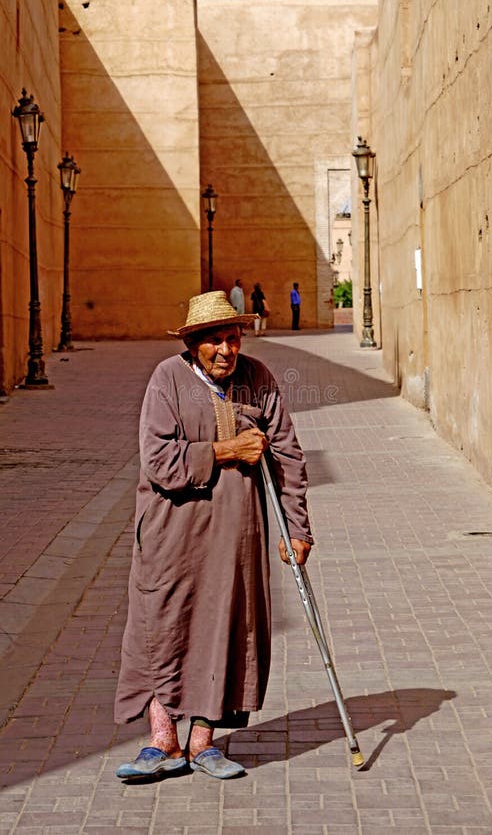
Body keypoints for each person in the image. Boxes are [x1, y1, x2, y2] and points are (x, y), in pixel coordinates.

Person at [114, 290, 312, 782]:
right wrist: (227, 451)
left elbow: (287, 457)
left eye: (234, 338)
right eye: (215, 341)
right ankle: (163, 741)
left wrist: (297, 529)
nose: (227, 350)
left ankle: (203, 743)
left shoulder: (257, 379)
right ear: (193, 343)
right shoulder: (167, 379)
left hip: (236, 537)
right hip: (170, 534)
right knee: (161, 627)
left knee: (223, 629)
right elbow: (158, 461)